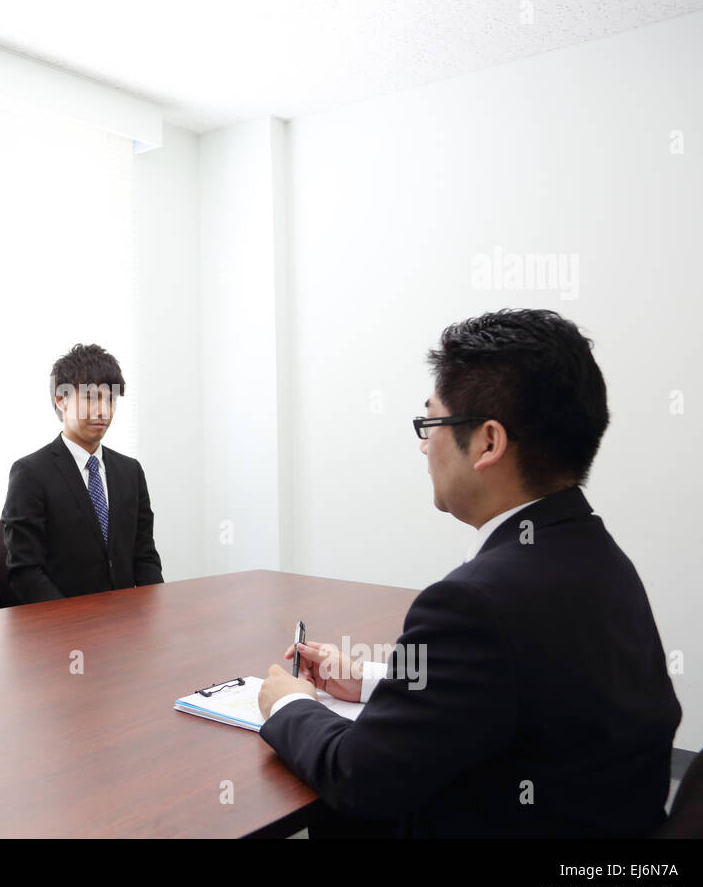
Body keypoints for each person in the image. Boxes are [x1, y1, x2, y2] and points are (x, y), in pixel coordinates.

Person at [257, 309, 681, 837]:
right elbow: (508, 692)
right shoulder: (598, 555)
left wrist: (290, 705)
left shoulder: (475, 602)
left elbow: (361, 776)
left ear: (487, 442)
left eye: (429, 424)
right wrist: (367, 679)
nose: (423, 445)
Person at [2, 343, 162, 604]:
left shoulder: (130, 471)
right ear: (61, 400)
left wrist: (154, 610)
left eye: (111, 399)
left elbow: (145, 556)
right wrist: (75, 624)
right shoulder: (30, 473)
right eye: (91, 397)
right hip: (63, 629)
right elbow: (25, 572)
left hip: (126, 623)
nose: (104, 410)